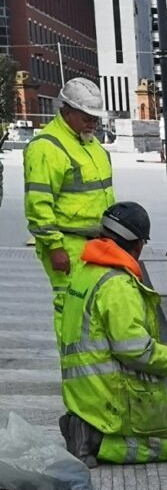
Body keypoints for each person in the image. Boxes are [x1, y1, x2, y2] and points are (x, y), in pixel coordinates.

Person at [56, 202, 167, 466]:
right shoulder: (118, 284)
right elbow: (133, 350)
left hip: (82, 395)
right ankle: (98, 442)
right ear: (137, 245)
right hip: (111, 397)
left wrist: (159, 347)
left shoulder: (85, 272)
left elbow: (107, 336)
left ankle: (85, 427)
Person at [23, 77, 115, 318]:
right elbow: (38, 205)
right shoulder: (47, 147)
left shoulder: (90, 143)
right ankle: (72, 346)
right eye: (87, 118)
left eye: (95, 118)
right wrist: (55, 248)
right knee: (71, 309)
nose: (92, 123)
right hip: (67, 244)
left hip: (96, 243)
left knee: (94, 308)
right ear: (67, 111)